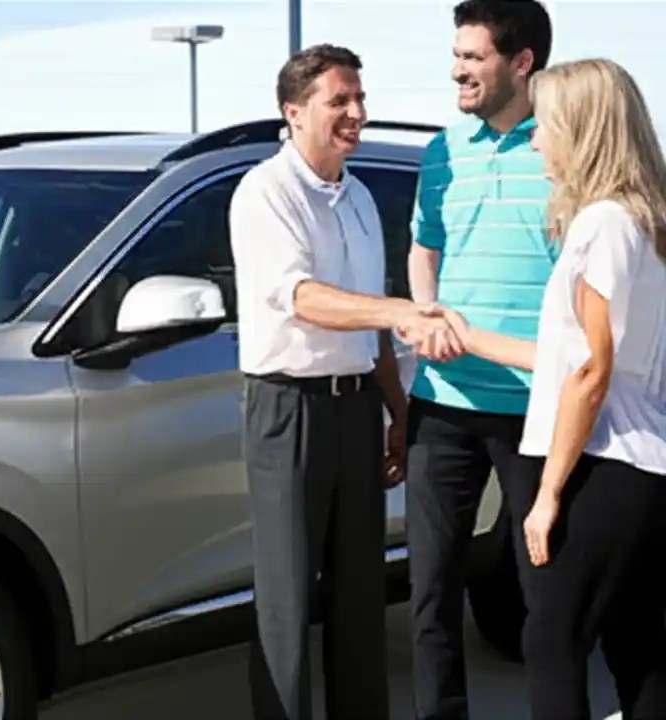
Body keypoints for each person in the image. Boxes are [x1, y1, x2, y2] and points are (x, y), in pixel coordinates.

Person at [432, 56, 666, 720]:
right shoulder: (645, 226)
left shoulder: (601, 225)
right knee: (637, 643)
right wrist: (464, 334)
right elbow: (572, 358)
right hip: (644, 465)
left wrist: (549, 493)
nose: (535, 138)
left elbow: (590, 371)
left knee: (552, 638)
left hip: (599, 463)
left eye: (547, 123)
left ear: (583, 129)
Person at [230, 43, 459, 720]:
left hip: (356, 407)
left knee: (360, 594)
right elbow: (300, 297)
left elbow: (368, 321)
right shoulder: (265, 194)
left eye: (359, 98)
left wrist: (397, 410)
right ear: (293, 111)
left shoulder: (357, 195)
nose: (357, 112)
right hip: (288, 411)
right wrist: (397, 310)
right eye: (340, 100)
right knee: (288, 599)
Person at [403, 2, 556, 718]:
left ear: (520, 61)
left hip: (537, 408)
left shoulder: (563, 150)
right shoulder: (443, 150)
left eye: (473, 56)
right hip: (443, 402)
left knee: (548, 593)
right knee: (431, 590)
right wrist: (426, 310)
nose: (457, 69)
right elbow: (423, 245)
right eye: (456, 55)